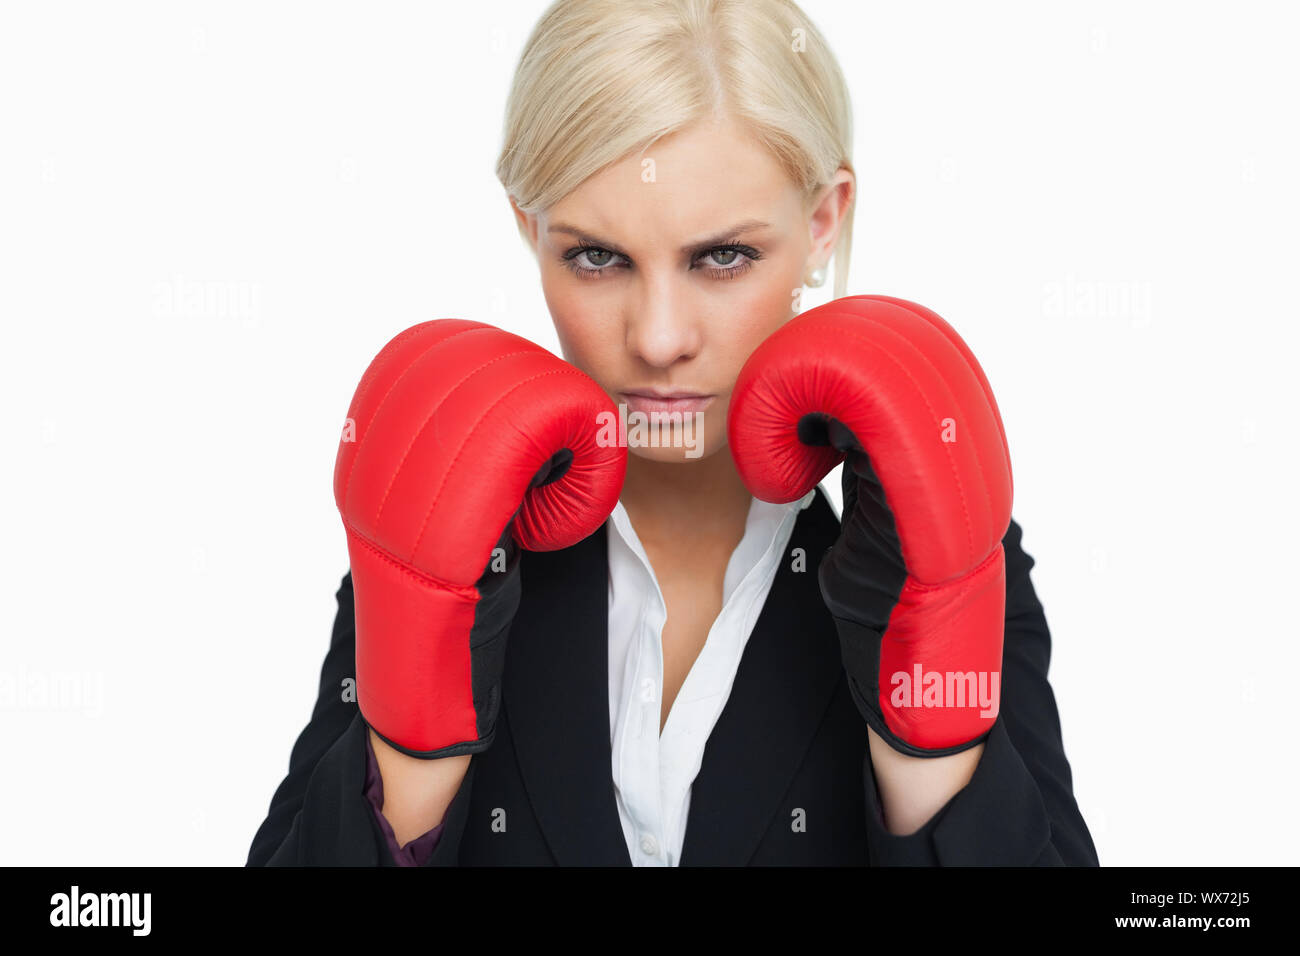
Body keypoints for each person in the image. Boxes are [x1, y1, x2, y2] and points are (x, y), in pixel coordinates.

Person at [247, 0, 1098, 867]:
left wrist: (929, 739)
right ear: (527, 229)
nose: (657, 338)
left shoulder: (942, 559)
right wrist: (414, 744)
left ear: (821, 222)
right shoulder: (453, 552)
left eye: (722, 256)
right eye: (596, 257)